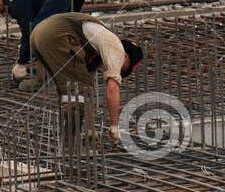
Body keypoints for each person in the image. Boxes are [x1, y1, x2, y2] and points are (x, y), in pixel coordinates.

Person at [21, 13, 144, 150]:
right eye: (128, 67)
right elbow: (112, 87)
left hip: (39, 33)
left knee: (70, 89)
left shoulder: (98, 45)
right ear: (126, 56)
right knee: (77, 93)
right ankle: (71, 145)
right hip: (55, 36)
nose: (123, 69)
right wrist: (115, 126)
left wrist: (90, 126)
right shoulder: (116, 48)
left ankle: (72, 140)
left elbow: (87, 82)